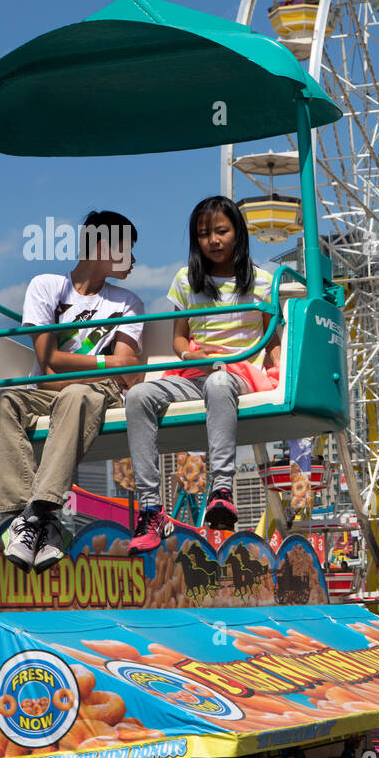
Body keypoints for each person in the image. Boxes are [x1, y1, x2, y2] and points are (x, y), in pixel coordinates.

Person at [0, 210, 144, 571]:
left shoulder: (128, 303)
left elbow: (128, 370)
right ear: (103, 246)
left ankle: (36, 512)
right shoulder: (46, 286)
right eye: (127, 249)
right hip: (46, 391)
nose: (133, 260)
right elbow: (47, 361)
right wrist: (104, 364)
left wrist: (78, 368)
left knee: (77, 395)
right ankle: (38, 520)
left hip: (94, 394)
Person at [126, 196, 279, 549]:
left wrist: (279, 371)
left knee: (221, 380)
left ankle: (221, 489)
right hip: (194, 374)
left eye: (222, 231)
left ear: (238, 233)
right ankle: (151, 510)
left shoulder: (261, 281)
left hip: (238, 374)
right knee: (138, 396)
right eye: (203, 234)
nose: (213, 240)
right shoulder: (185, 280)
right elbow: (179, 338)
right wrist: (192, 352)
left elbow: (271, 340)